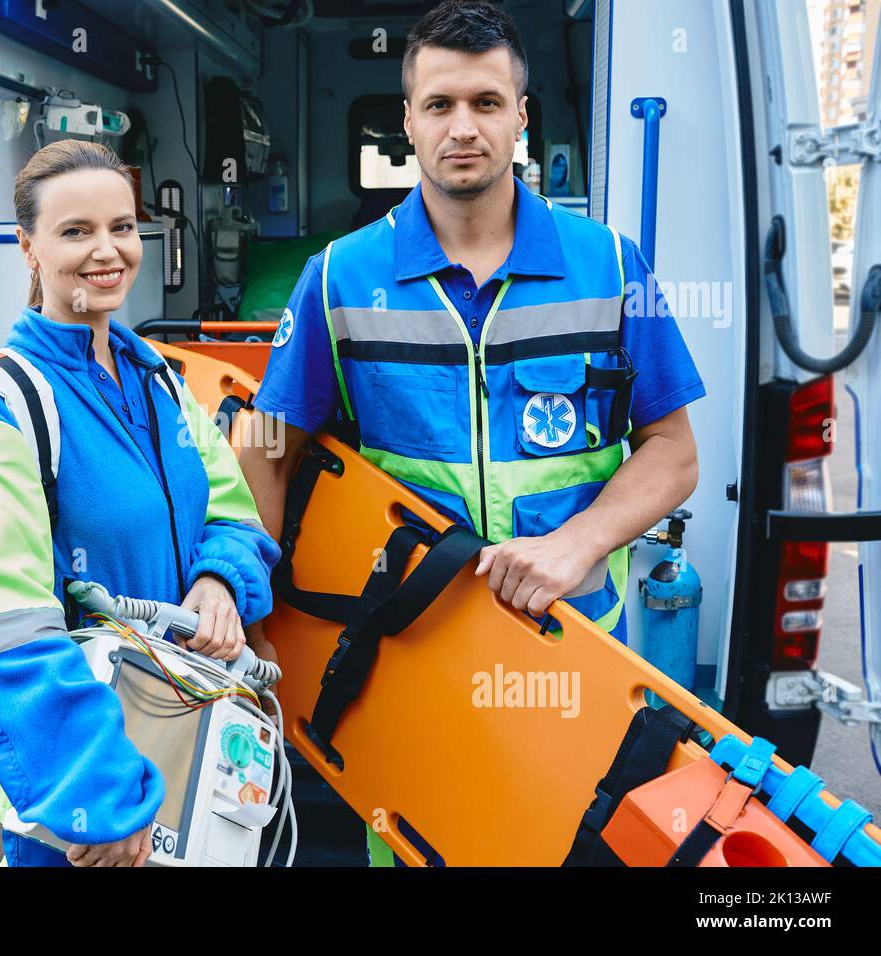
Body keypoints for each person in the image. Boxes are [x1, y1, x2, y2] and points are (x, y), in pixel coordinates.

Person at [237, 0, 704, 864]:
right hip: (403, 648)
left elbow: (674, 453)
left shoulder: (612, 264)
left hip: (572, 640)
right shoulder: (338, 278)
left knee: (566, 838)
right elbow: (270, 448)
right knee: (414, 841)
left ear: (522, 117)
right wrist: (254, 607)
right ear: (407, 121)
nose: (464, 127)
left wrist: (579, 542)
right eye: (441, 105)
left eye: (487, 103)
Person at [0, 139, 280, 867]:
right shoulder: (5, 403)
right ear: (28, 249)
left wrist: (219, 579)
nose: (108, 251)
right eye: (76, 232)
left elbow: (233, 510)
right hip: (81, 788)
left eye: (122, 227)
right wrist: (96, 799)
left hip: (177, 736)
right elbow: (2, 631)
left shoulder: (155, 376)